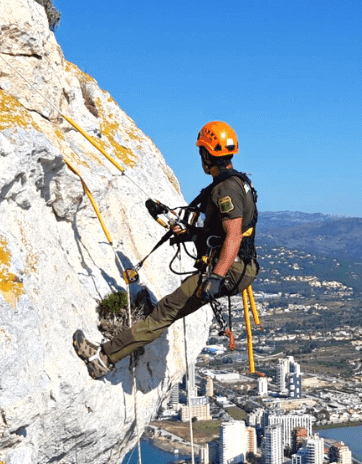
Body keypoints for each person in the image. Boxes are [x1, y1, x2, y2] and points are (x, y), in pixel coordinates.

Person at [72, 121, 259, 378]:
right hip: (237, 266)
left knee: (165, 312)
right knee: (167, 310)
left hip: (228, 268)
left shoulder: (225, 189)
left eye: (201, 153)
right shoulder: (237, 182)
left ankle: (103, 358)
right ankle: (114, 351)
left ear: (206, 154)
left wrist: (216, 277)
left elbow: (234, 235)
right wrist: (188, 232)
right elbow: (222, 232)